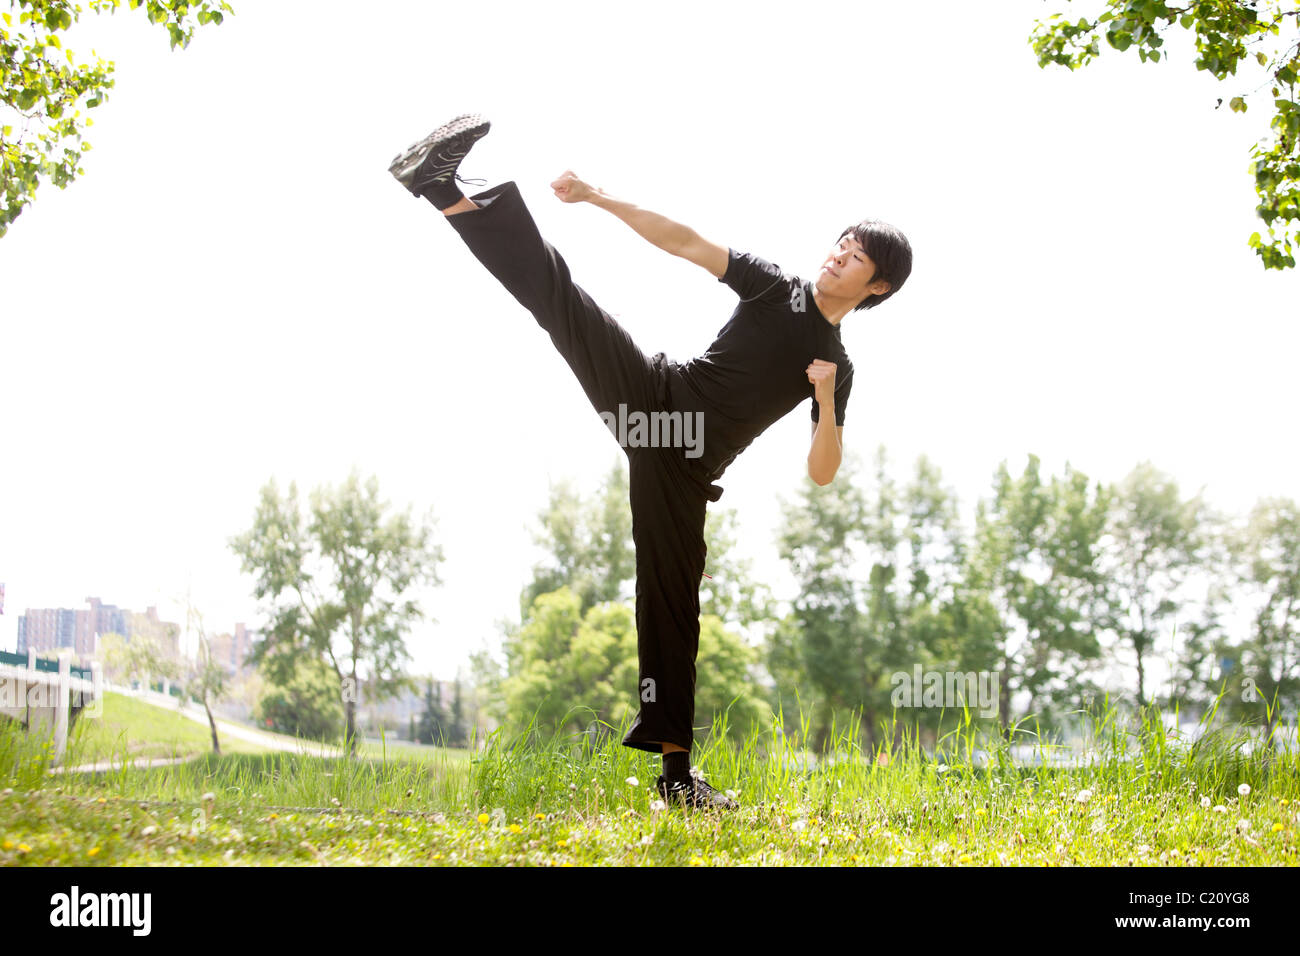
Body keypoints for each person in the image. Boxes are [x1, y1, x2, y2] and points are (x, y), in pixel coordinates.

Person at [389, 114, 913, 810]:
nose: (838, 257)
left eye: (856, 258)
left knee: (673, 610)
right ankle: (442, 186)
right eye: (840, 245)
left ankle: (676, 780)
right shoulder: (775, 286)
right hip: (654, 399)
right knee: (562, 301)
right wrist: (601, 198)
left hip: (685, 468)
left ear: (876, 288)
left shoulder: (836, 367)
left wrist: (820, 392)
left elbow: (823, 469)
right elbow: (687, 242)